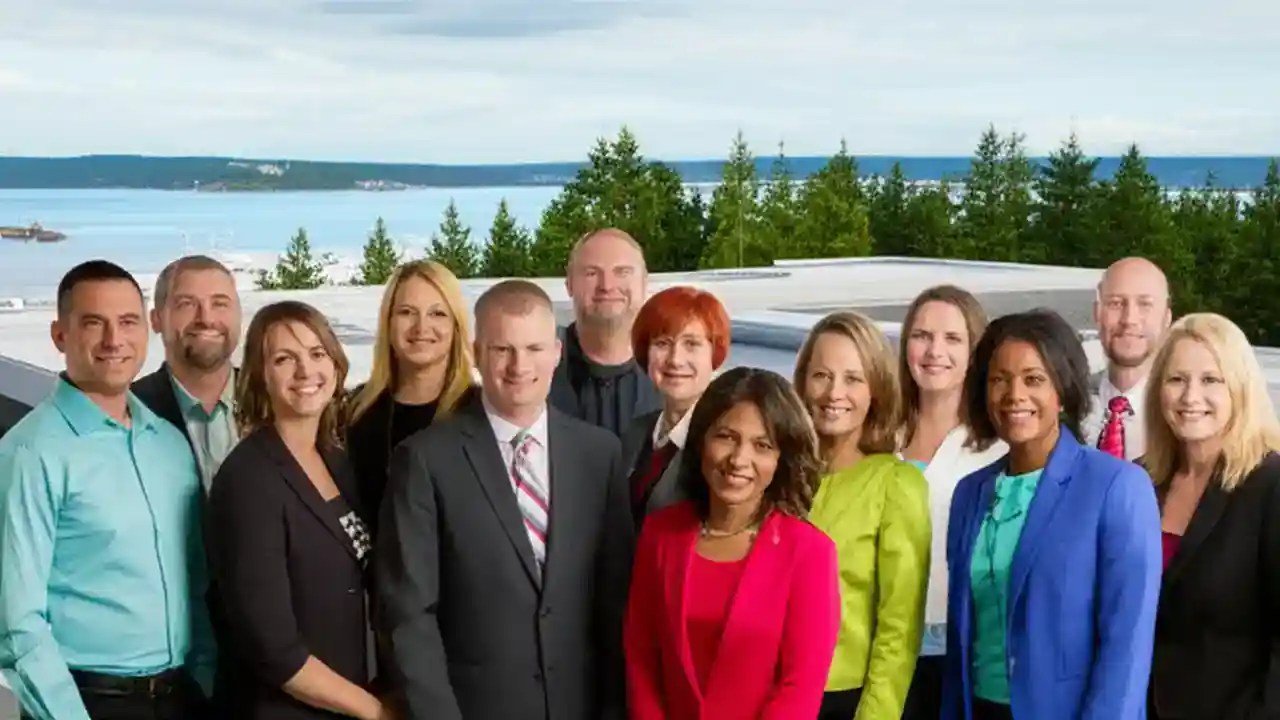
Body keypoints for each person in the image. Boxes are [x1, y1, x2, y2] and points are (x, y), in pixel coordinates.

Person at [376, 279, 632, 720]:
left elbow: (615, 603)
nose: (519, 366)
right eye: (502, 350)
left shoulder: (599, 454)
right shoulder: (423, 460)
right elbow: (408, 615)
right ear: (476, 353)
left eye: (534, 349)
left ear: (556, 353)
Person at [0, 260, 214, 720]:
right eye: (94, 323)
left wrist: (204, 681)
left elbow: (194, 581)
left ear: (147, 331)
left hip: (181, 697)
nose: (114, 340)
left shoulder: (170, 445)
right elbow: (16, 624)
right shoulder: (29, 453)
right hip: (87, 700)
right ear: (60, 336)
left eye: (128, 322)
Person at [941, 309, 1162, 720]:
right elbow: (963, 640)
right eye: (998, 380)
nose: (1014, 395)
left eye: (1033, 379)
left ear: (1062, 389)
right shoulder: (969, 494)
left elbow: (1126, 647)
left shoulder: (1117, 487)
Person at [624, 366, 839, 719]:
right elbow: (642, 660)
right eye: (726, 436)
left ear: (780, 459)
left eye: (762, 445)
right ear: (702, 441)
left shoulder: (810, 553)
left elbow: (800, 687)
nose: (739, 459)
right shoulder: (660, 535)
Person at [207, 301, 387, 720]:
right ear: (259, 376)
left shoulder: (334, 457)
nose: (306, 372)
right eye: (284, 359)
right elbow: (274, 649)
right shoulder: (249, 480)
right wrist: (375, 711)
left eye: (317, 353)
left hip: (347, 700)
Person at [1142, 313, 1280, 719]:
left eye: (1210, 380)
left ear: (1240, 388)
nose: (1190, 397)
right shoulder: (1138, 482)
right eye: (1176, 379)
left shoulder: (1271, 487)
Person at [794, 311, 930, 720]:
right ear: (802, 383)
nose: (834, 392)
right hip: (770, 697)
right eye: (822, 375)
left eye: (853, 378)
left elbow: (899, 629)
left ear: (876, 389)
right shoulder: (775, 477)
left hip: (846, 700)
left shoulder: (896, 484)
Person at [896, 286, 1007, 720]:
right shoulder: (879, 433)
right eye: (922, 335)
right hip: (880, 640)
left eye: (952, 338)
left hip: (961, 644)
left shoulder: (999, 446)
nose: (934, 350)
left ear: (975, 351)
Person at [345, 260, 474, 532]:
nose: (421, 327)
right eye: (407, 312)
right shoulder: (356, 410)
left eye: (438, 314)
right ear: (388, 322)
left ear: (456, 326)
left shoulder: (481, 412)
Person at [620, 286, 731, 526]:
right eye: (662, 343)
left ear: (714, 354)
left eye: (691, 344)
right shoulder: (636, 432)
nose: (675, 359)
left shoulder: (724, 440)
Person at [133, 254, 243, 495]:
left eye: (220, 303)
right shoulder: (130, 411)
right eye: (187, 304)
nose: (206, 319)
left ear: (239, 315)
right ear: (156, 320)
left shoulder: (273, 399)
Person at [550, 228, 662, 437]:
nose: (607, 286)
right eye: (592, 273)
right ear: (569, 284)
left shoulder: (677, 375)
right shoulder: (534, 370)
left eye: (622, 272)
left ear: (644, 283)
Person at [1083, 257, 1173, 460]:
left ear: (1166, 318)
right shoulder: (1067, 406)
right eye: (1116, 303)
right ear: (1097, 313)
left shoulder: (1183, 415)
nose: (1129, 319)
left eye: (1145, 304)